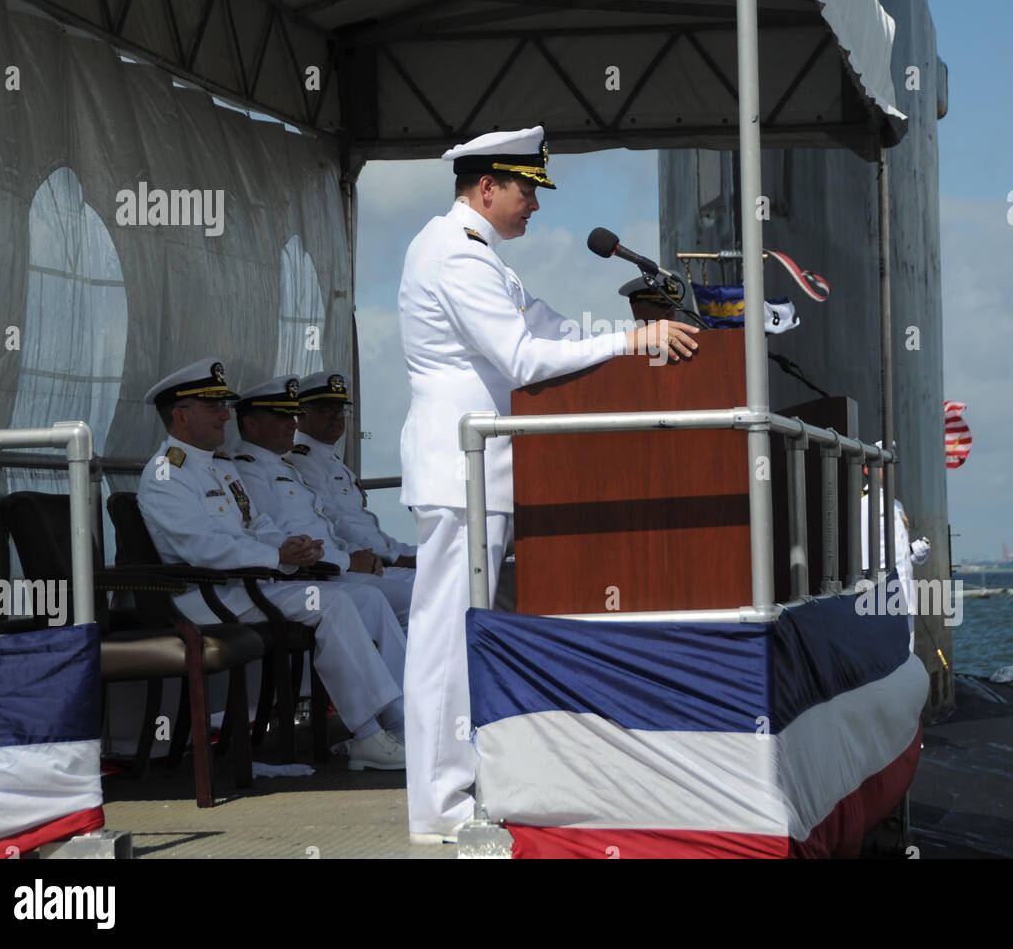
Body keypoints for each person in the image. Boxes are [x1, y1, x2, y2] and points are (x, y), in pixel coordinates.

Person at [397, 125, 700, 842]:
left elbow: (544, 326)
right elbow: (523, 358)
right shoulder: (455, 255)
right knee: (443, 642)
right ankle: (438, 809)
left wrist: (627, 335)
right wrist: (630, 341)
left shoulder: (478, 255)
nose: (534, 204)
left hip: (482, 471)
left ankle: (460, 786)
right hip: (459, 469)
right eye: (526, 189)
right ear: (487, 186)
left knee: (463, 635)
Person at [137, 358, 407, 771]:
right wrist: (274, 557)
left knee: (366, 598)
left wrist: (291, 546)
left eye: (223, 406)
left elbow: (254, 523)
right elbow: (202, 548)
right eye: (213, 407)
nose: (225, 415)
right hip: (204, 595)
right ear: (180, 415)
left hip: (243, 586)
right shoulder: (166, 474)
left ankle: (401, 722)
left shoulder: (219, 466)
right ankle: (368, 735)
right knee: (330, 604)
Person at [231, 374, 416, 629]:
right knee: (415, 599)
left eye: (339, 410)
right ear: (251, 424)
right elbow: (279, 536)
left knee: (431, 591)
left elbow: (328, 528)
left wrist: (352, 554)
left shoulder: (285, 467)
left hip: (333, 565)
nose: (292, 425)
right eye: (283, 416)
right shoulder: (251, 470)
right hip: (309, 574)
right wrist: (354, 560)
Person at [286, 370, 416, 570]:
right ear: (301, 416)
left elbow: (364, 524)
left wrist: (408, 553)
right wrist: (396, 558)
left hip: (379, 556)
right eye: (325, 410)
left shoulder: (335, 463)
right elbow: (337, 523)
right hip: (357, 561)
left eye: (340, 411)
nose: (336, 417)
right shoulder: (302, 463)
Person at [860, 448, 930, 652]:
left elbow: (898, 552)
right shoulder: (865, 504)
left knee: (905, 659)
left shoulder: (896, 504)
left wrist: (916, 552)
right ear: (867, 469)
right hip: (882, 596)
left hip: (905, 596)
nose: (888, 470)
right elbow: (865, 552)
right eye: (883, 465)